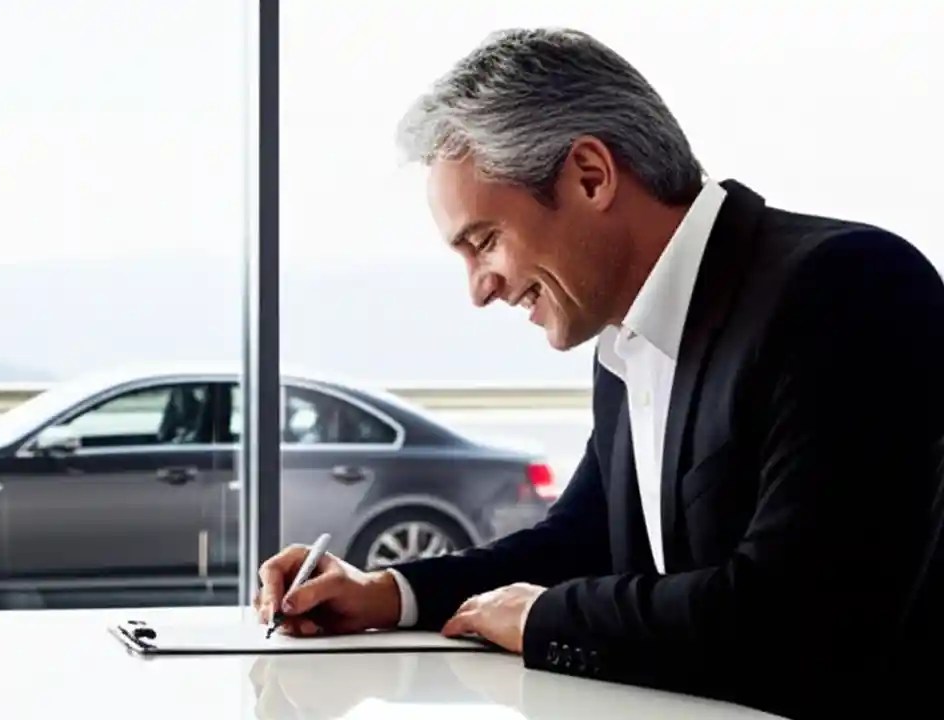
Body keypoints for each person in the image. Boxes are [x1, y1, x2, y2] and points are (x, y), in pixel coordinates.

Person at [254, 27, 944, 719]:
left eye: (485, 241)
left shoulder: (848, 286)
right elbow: (579, 542)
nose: (479, 289)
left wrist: (547, 619)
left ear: (591, 175)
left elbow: (788, 615)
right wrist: (387, 592)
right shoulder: (623, 341)